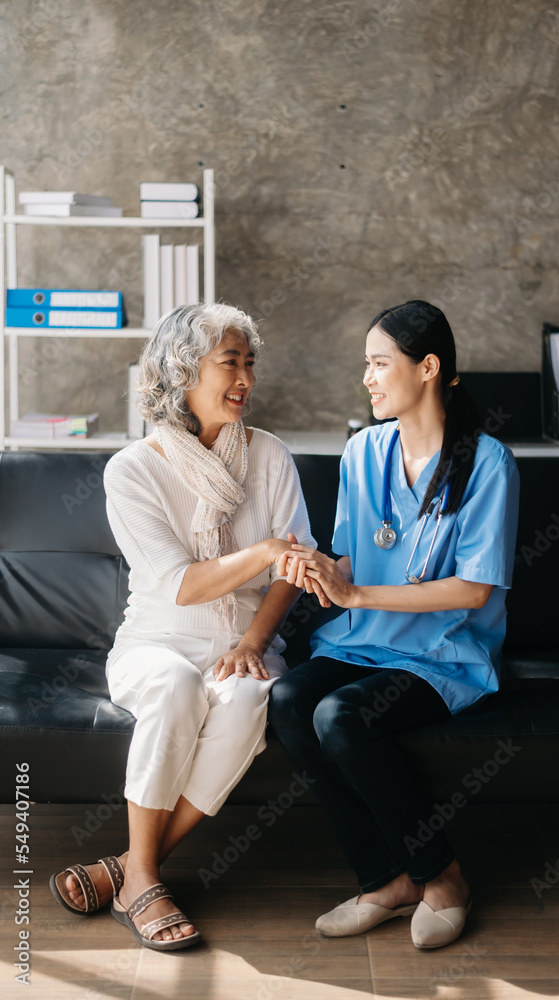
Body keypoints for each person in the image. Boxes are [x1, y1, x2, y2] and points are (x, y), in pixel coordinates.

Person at [49, 303, 317, 951]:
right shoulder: (133, 470)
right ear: (181, 370)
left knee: (252, 697)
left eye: (250, 362)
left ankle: (131, 870)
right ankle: (143, 877)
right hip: (158, 644)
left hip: (243, 647)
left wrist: (254, 641)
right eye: (230, 362)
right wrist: (260, 552)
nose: (245, 378)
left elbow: (295, 566)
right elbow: (181, 584)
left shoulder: (270, 455)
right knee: (173, 687)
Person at [268, 299, 520, 950]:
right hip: (365, 640)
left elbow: (473, 587)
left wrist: (357, 595)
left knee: (340, 717)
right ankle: (387, 879)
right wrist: (318, 568)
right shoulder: (362, 452)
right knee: (291, 699)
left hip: (443, 652)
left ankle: (443, 877)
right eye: (367, 365)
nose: (368, 378)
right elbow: (352, 556)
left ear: (428, 367)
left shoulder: (488, 462)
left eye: (380, 363)